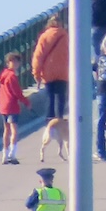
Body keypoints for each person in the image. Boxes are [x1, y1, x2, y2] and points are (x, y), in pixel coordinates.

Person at [31, 10, 71, 162]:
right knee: (60, 98)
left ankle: (50, 124)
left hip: (48, 72)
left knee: (50, 98)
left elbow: (38, 56)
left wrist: (36, 74)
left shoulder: (44, 37)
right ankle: (59, 120)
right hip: (62, 72)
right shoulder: (65, 35)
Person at [0, 52, 26, 165]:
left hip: (3, 106)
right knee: (14, 130)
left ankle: (4, 155)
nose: (17, 64)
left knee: (6, 130)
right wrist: (26, 102)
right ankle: (12, 155)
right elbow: (17, 92)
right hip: (12, 106)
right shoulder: (12, 76)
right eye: (16, 62)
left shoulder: (3, 75)